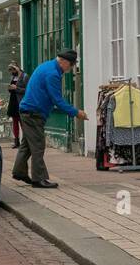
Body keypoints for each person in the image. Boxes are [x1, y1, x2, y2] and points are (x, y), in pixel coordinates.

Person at [12, 49, 88, 189]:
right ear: (64, 61)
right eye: (70, 65)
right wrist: (76, 112)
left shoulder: (46, 66)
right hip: (34, 112)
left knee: (27, 145)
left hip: (27, 110)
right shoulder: (53, 74)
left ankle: (19, 172)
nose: (70, 69)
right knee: (38, 146)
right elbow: (57, 100)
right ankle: (38, 179)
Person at [5, 63, 28, 148]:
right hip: (13, 101)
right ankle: (16, 141)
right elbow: (12, 89)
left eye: (13, 69)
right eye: (10, 70)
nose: (12, 72)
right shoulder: (13, 77)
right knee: (15, 122)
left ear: (17, 68)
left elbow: (27, 90)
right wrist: (10, 88)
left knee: (22, 122)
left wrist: (16, 88)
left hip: (21, 102)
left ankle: (25, 141)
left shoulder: (25, 76)